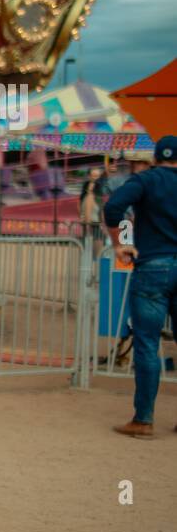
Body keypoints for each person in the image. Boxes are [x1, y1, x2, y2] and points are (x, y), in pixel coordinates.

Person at [104, 136, 177, 438]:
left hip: (153, 266)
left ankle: (144, 419)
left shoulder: (146, 180)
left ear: (156, 157)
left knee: (147, 343)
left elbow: (114, 207)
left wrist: (120, 245)